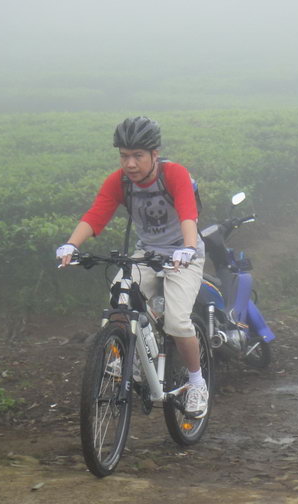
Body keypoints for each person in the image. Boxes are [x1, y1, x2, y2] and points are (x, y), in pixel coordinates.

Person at [56, 116, 208, 418]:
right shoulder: (119, 182)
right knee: (120, 299)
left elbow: (188, 213)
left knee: (177, 322)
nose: (130, 164)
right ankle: (134, 358)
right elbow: (97, 214)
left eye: (138, 155)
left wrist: (187, 248)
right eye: (124, 155)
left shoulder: (174, 174)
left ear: (155, 154)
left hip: (183, 253)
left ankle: (196, 381)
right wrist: (72, 245)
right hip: (147, 253)